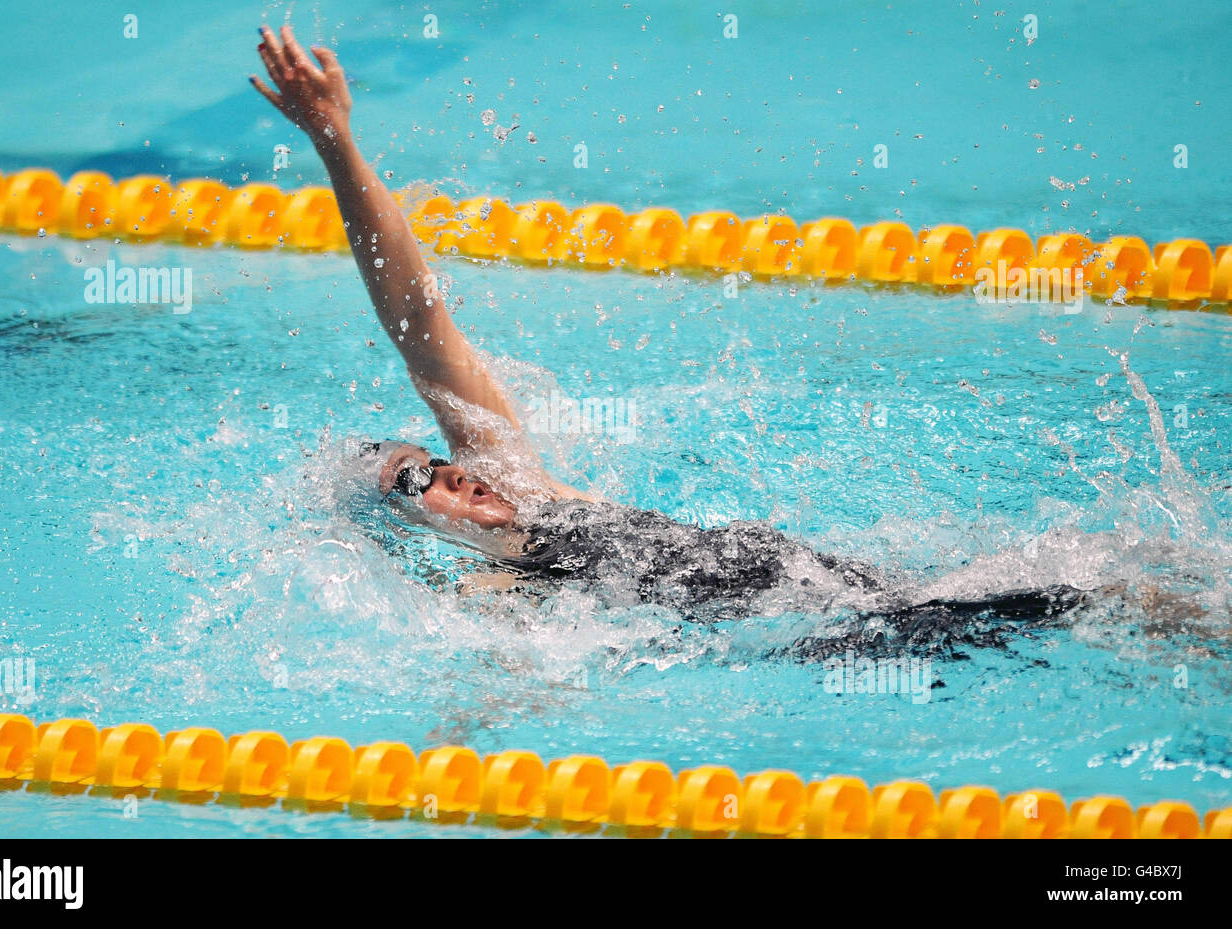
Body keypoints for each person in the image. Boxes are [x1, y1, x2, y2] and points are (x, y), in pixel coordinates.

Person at [249, 25, 1090, 641]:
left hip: (833, 578)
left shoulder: (520, 478)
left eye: (429, 454)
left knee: (1083, 585)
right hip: (835, 632)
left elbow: (417, 319)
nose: (450, 472)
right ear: (415, 529)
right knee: (1073, 610)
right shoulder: (501, 594)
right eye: (416, 483)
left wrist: (337, 144)